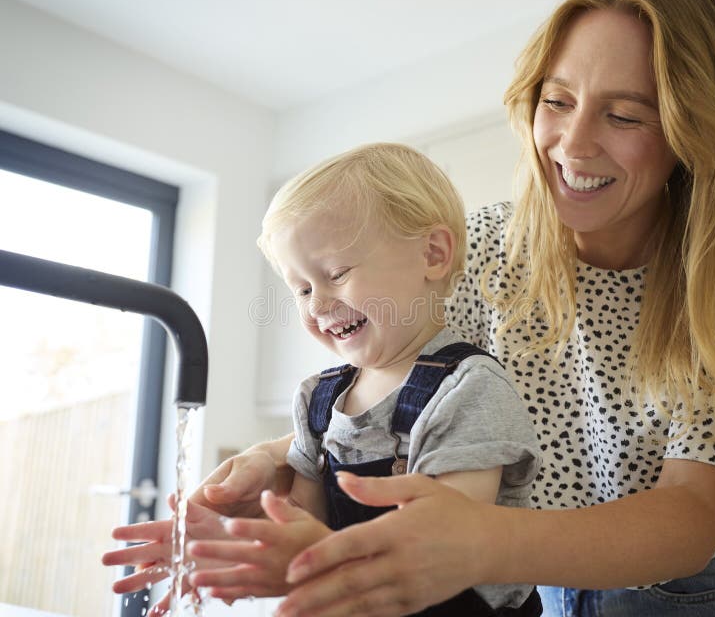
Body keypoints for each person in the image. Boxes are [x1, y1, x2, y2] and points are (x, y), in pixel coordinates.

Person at [107, 0, 715, 615]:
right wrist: (283, 459)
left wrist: (484, 542)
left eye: (623, 116)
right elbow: (408, 397)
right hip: (526, 589)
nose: (573, 143)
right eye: (556, 102)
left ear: (691, 128)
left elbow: (688, 515)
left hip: (694, 597)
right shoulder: (482, 248)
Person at [104, 143, 542, 616]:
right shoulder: (318, 399)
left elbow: (445, 548)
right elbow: (304, 530)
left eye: (336, 273)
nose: (316, 304)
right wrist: (243, 551)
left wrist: (314, 560)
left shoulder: (469, 390)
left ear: (432, 254)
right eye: (303, 289)